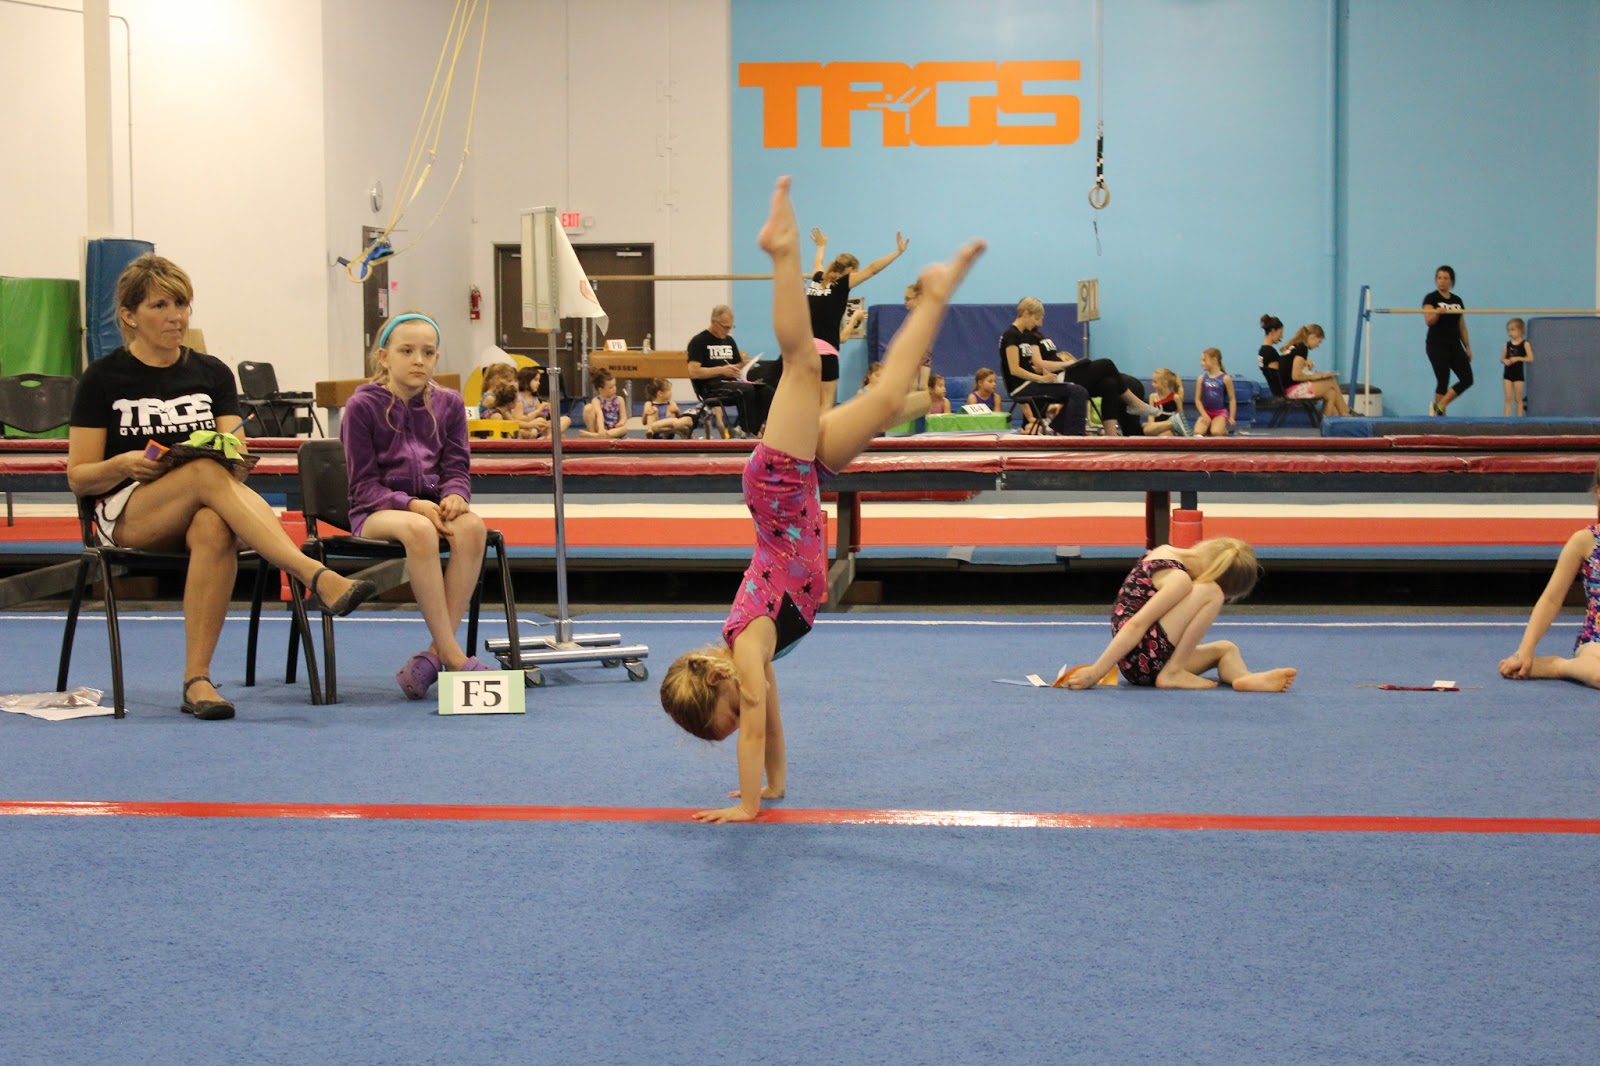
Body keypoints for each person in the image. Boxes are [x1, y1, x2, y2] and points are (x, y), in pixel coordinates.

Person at [659, 176, 983, 823]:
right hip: (802, 486)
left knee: (803, 362)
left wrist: (748, 806)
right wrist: (775, 785)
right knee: (889, 402)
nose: (738, 724)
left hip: (780, 491)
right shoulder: (751, 655)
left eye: (725, 718)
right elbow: (769, 721)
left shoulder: (748, 644)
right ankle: (936, 298)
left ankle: (781, 252)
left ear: (719, 683)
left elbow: (754, 724)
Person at [66, 254, 377, 720]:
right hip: (128, 512)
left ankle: (198, 680)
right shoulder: (104, 378)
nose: (177, 316)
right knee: (202, 473)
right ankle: (312, 574)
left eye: (183, 304)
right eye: (161, 305)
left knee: (214, 523)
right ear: (130, 316)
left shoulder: (211, 372)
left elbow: (235, 452)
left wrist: (229, 459)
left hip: (203, 502)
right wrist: (124, 462)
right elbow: (78, 475)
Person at [342, 312, 495, 698]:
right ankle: (454, 655)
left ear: (437, 359)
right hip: (376, 511)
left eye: (428, 353)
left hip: (431, 507)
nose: (418, 360)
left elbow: (456, 466)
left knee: (473, 527)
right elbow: (363, 486)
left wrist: (455, 495)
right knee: (419, 529)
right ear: (384, 357)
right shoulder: (361, 406)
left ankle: (433, 653)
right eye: (407, 351)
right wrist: (410, 505)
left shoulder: (449, 403)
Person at [1061, 537, 1297, 692]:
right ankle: (1173, 673)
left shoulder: (1164, 551)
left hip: (1143, 657)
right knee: (1211, 594)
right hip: (1141, 660)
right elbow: (1135, 625)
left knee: (1226, 649)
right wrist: (1095, 672)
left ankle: (1243, 679)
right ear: (1217, 576)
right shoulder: (1179, 580)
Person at [1498, 459, 1600, 688]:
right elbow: (1551, 599)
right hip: (1596, 643)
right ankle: (1557, 665)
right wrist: (1524, 651)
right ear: (1597, 492)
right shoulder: (1585, 541)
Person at [806, 225, 910, 409]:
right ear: (850, 269)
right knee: (825, 402)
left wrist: (821, 246)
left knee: (807, 401)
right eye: (856, 272)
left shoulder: (817, 279)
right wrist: (897, 253)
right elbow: (872, 269)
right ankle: (822, 438)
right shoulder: (842, 283)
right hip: (826, 352)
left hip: (804, 351)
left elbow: (818, 263)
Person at [998, 298, 1089, 435]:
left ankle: (1060, 429)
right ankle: (1075, 434)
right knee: (1078, 391)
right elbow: (1014, 369)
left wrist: (1046, 374)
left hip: (1030, 383)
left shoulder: (1022, 336)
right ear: (1026, 313)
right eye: (1035, 319)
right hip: (1022, 386)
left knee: (1076, 391)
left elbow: (1026, 366)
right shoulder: (1011, 335)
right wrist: (1041, 379)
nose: (1036, 323)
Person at [685, 305, 772, 437]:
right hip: (710, 387)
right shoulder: (699, 341)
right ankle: (746, 431)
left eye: (731, 327)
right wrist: (721, 370)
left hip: (731, 383)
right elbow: (693, 372)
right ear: (714, 322)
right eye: (726, 327)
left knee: (766, 390)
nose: (728, 331)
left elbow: (736, 365)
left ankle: (753, 428)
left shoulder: (729, 341)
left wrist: (745, 365)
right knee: (745, 390)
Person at [1423, 264, 1473, 416]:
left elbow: (1462, 326)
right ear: (1435, 280)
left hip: (1454, 344)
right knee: (1443, 381)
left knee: (1467, 379)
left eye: (1445, 278)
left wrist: (1468, 347)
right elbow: (1429, 321)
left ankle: (1440, 405)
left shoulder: (1457, 300)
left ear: (1451, 281)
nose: (1442, 281)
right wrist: (1437, 313)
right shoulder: (1431, 298)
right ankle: (1439, 417)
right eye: (1439, 278)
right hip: (1437, 344)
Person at [1282, 324, 1351, 417]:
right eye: (1319, 342)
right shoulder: (1302, 348)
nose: (1318, 345)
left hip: (1287, 387)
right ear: (1312, 337)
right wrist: (1318, 376)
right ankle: (1346, 412)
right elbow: (1296, 376)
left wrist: (1309, 368)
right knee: (1331, 381)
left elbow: (1291, 369)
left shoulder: (1294, 346)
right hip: (1292, 390)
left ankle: (1327, 422)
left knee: (1331, 393)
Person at [514, 364, 569, 439]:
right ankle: (548, 438)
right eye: (536, 380)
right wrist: (539, 410)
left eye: (539, 380)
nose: (539, 383)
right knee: (541, 425)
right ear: (526, 381)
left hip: (538, 426)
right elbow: (519, 419)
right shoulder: (518, 399)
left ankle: (548, 437)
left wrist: (546, 410)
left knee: (566, 419)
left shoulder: (534, 399)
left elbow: (543, 416)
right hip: (527, 426)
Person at [1192, 348, 1236, 436]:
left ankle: (1222, 431)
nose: (1201, 363)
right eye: (1201, 360)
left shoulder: (1225, 378)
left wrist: (1231, 417)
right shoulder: (1201, 379)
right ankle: (1209, 428)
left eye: (1204, 360)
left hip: (1220, 413)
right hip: (1206, 412)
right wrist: (1204, 414)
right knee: (1197, 432)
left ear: (1214, 360)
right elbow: (1197, 400)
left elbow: (1232, 399)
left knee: (1216, 432)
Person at [581, 369, 630, 439]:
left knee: (624, 429)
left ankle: (596, 436)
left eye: (614, 386)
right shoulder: (596, 400)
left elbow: (624, 416)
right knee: (588, 408)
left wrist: (621, 423)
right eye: (610, 387)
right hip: (600, 428)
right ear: (601, 389)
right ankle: (594, 433)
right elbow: (599, 414)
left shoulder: (619, 399)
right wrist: (601, 429)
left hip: (614, 429)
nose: (614, 389)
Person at [1502, 317, 1533, 417]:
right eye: (1508, 330)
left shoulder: (1525, 344)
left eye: (1512, 329)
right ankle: (1506, 420)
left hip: (1518, 374)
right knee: (1508, 398)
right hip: (1507, 374)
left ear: (1520, 330)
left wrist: (1518, 358)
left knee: (1518, 399)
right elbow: (1502, 358)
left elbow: (1530, 358)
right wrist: (1505, 360)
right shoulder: (1507, 344)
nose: (1510, 333)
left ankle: (1520, 421)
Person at [1142, 368, 1188, 436]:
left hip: (1171, 430)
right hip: (1157, 427)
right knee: (1145, 429)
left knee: (1163, 436)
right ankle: (1173, 423)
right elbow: (1151, 417)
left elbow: (1181, 418)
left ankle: (1173, 423)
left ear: (1165, 383)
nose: (1152, 384)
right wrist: (1152, 426)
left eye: (1155, 382)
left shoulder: (1175, 397)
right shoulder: (1152, 397)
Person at [1257, 314, 1286, 395]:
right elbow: (1277, 377)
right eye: (1280, 333)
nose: (1282, 336)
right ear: (1273, 331)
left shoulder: (1261, 352)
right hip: (1280, 394)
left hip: (1275, 393)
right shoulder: (1270, 352)